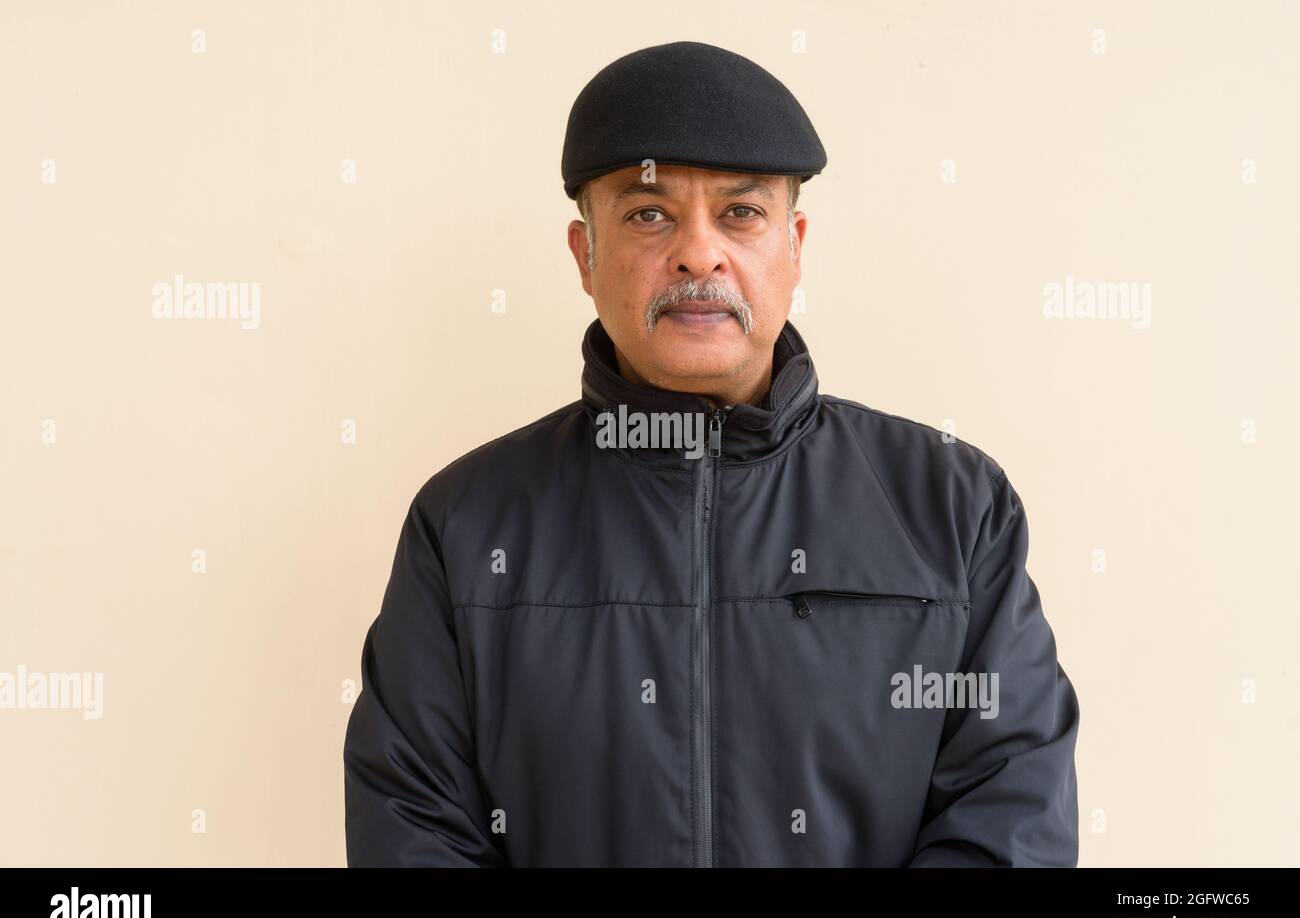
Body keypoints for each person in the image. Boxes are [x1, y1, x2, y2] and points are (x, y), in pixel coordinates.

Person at [343, 39, 1080, 866]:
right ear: (585, 255)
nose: (699, 253)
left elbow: (1008, 821)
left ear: (794, 244)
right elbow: (413, 830)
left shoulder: (952, 508)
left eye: (741, 212)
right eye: (649, 213)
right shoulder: (467, 526)